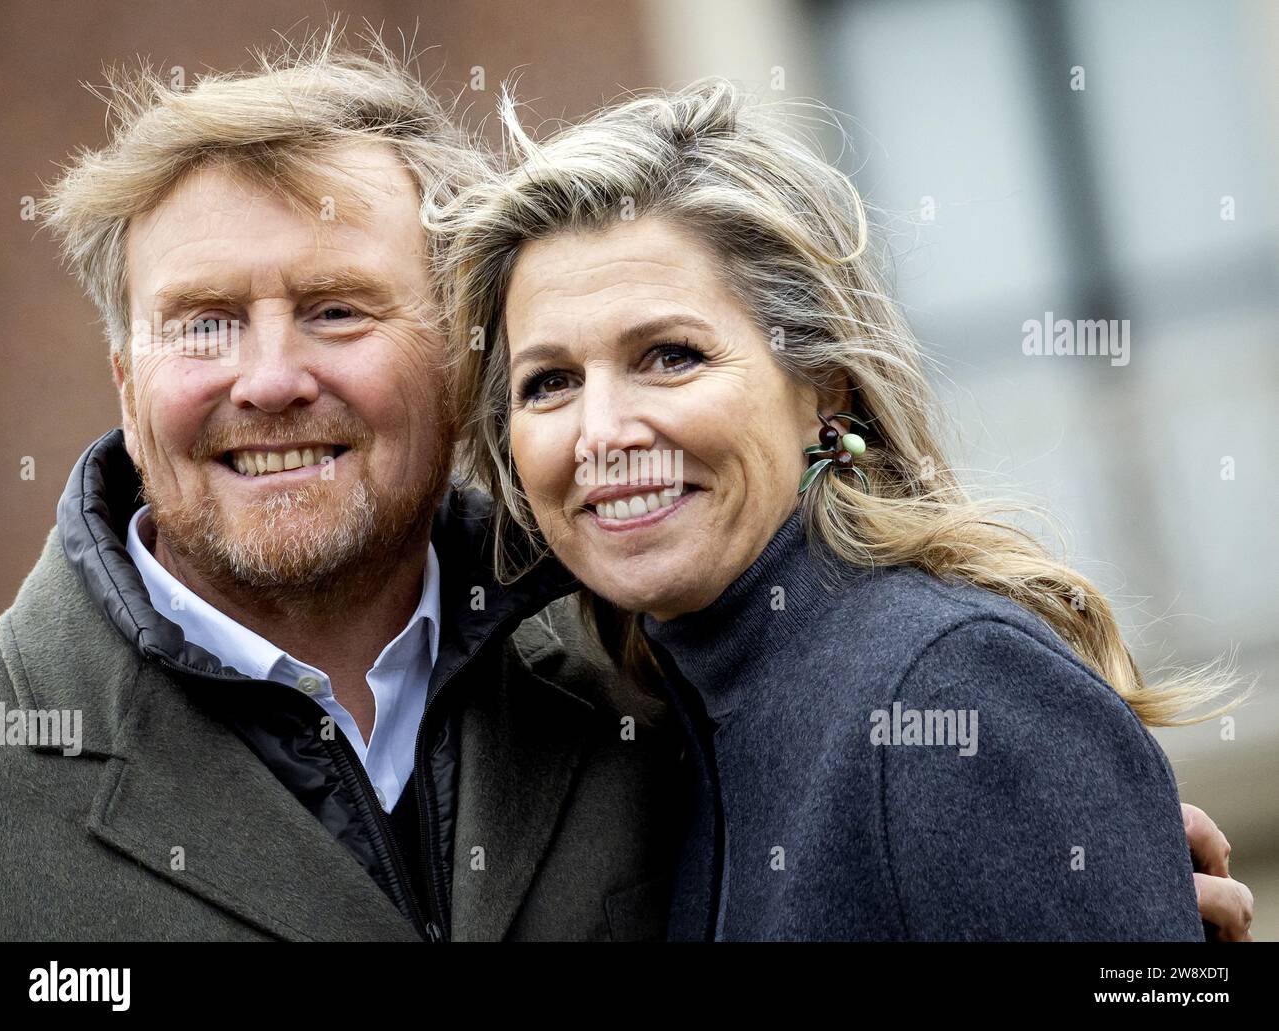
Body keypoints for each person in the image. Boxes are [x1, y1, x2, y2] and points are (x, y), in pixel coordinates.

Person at [438, 79, 1256, 941]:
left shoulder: (953, 686)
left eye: (670, 356)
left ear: (824, 388)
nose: (600, 433)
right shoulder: (679, 735)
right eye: (551, 382)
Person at [0, 36, 681, 941]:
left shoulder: (645, 663)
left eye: (336, 310)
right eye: (206, 324)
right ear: (126, 380)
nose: (270, 381)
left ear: (460, 355)